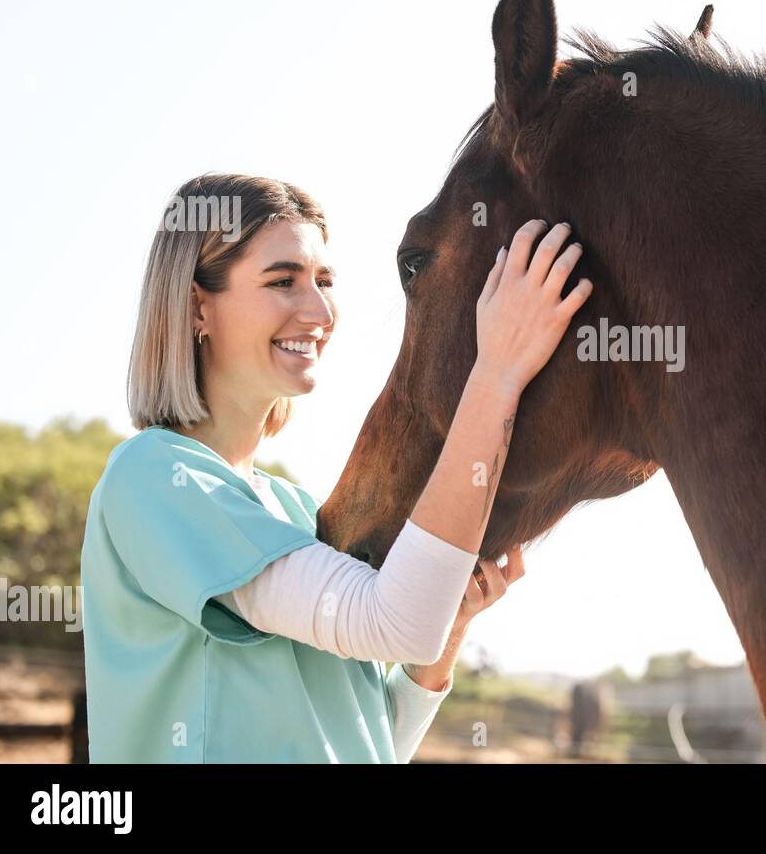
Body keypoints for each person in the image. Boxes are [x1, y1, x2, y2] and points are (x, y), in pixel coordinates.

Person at [79, 172, 591, 763]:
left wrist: (446, 634)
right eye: (283, 281)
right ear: (198, 305)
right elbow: (392, 623)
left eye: (324, 280)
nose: (320, 310)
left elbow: (364, 743)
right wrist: (497, 370)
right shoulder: (154, 479)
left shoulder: (296, 511)